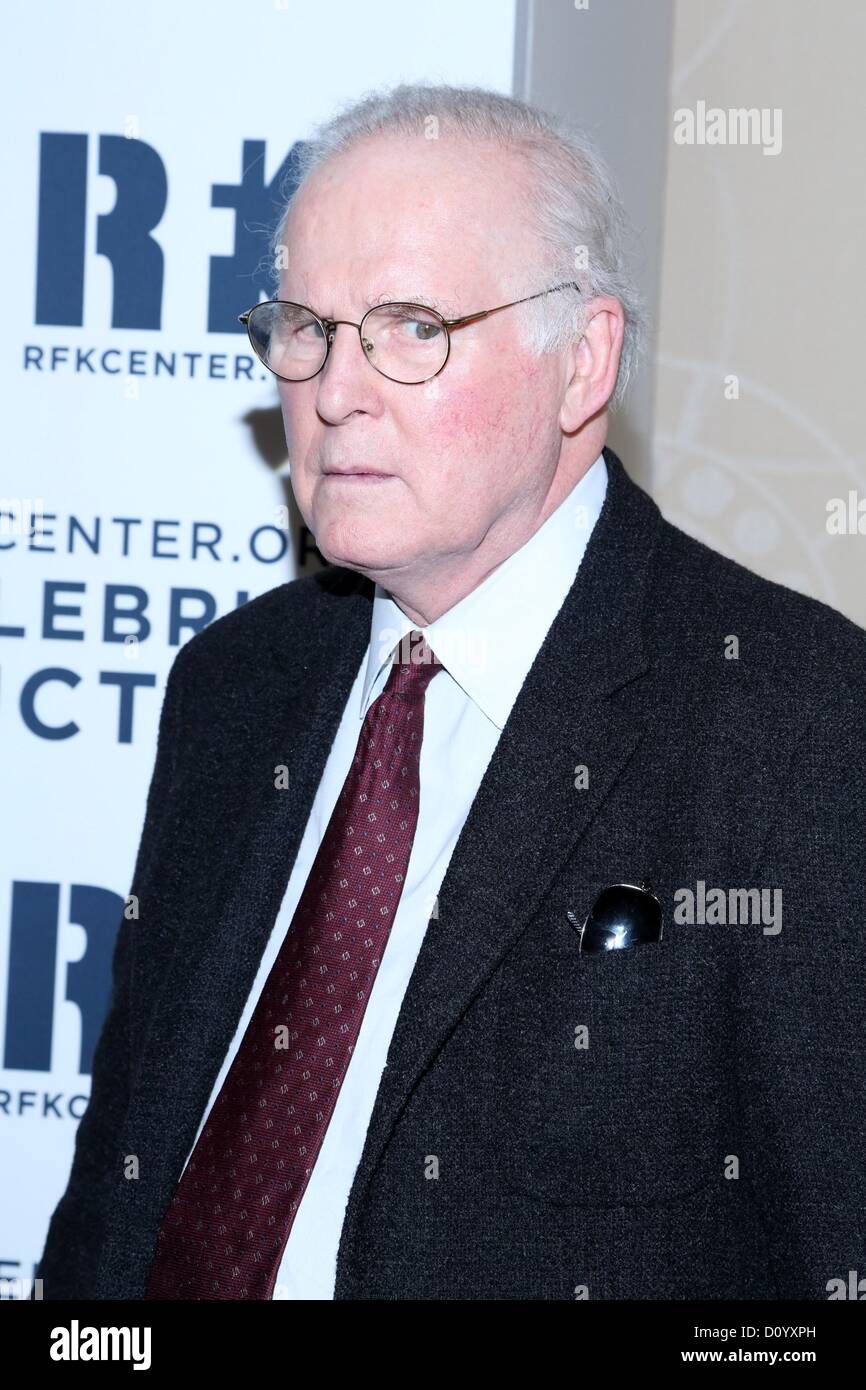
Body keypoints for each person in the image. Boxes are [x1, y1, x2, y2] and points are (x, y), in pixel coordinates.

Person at [37, 82, 866, 1301]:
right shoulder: (235, 688)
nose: (333, 388)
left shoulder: (791, 723)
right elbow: (119, 1180)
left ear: (580, 363)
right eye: (305, 325)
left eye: (411, 325)